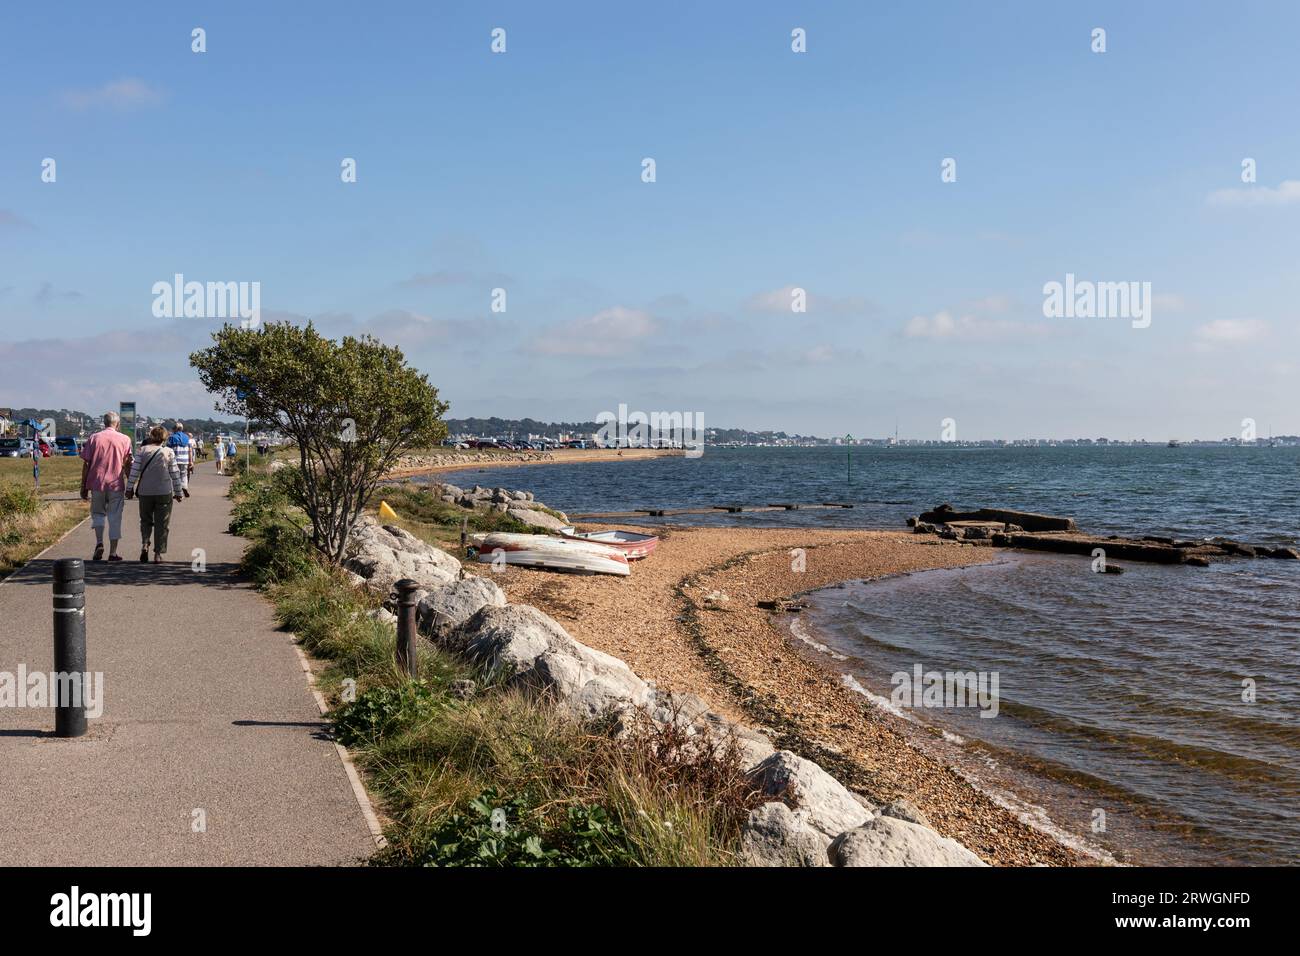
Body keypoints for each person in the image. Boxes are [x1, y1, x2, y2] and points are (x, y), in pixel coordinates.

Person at [79, 412, 134, 562]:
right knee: (115, 516)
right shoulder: (125, 439)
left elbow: (86, 464)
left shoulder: (94, 438)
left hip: (96, 482)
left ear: (104, 423)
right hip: (116, 484)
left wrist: (83, 485)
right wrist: (130, 485)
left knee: (98, 514)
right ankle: (113, 552)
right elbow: (128, 463)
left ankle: (99, 542)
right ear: (118, 424)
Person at [125, 426, 183, 563]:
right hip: (164, 491)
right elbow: (175, 473)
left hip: (145, 492)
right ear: (165, 437)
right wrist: (179, 491)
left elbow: (134, 471)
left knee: (145, 520)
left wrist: (129, 488)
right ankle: (158, 553)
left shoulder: (142, 450)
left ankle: (145, 543)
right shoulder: (168, 452)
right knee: (162, 523)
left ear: (151, 436)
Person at [167, 421, 192, 497]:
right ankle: (184, 486)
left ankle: (177, 492)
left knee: (174, 476)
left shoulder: (171, 437)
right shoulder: (187, 437)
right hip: (185, 459)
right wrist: (191, 461)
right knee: (184, 474)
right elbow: (190, 450)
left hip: (175, 459)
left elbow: (168, 449)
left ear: (175, 429)